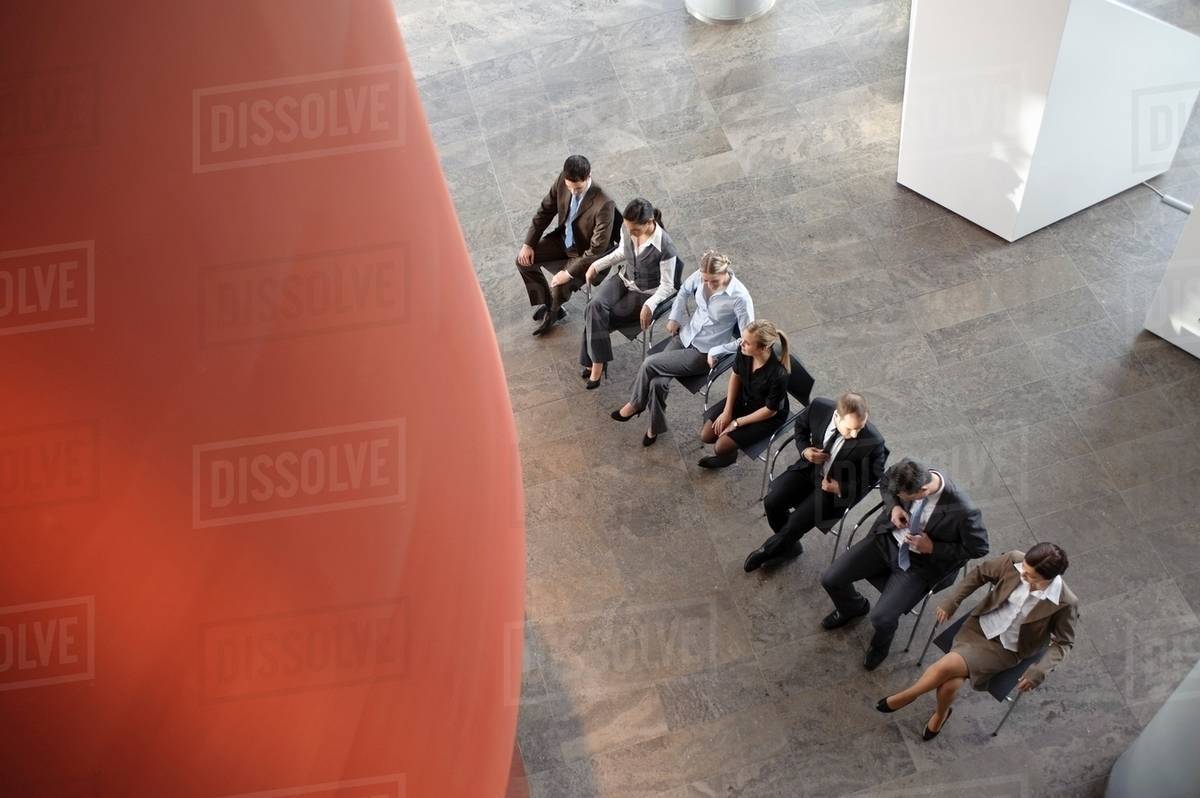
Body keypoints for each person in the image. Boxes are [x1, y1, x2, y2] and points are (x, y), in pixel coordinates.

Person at [876, 544, 1077, 741]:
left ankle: (909, 695)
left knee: (946, 666)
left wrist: (1040, 671)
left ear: (1049, 578)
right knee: (949, 685)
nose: (1022, 575)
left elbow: (1064, 642)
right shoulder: (1014, 560)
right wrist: (953, 600)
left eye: (1030, 576)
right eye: (1023, 568)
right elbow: (980, 573)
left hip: (1007, 649)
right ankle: (940, 714)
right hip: (979, 628)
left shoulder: (1065, 602)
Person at [819, 458, 990, 671]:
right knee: (830, 578)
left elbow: (979, 548)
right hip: (887, 540)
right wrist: (894, 508)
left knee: (882, 618)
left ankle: (881, 646)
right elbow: (886, 481)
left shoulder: (964, 511)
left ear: (923, 490)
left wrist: (933, 547)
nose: (901, 499)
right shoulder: (905, 470)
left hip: (920, 564)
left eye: (906, 498)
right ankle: (853, 607)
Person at [610, 250, 753, 448]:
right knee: (658, 383)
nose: (707, 284)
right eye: (705, 280)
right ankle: (654, 427)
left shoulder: (740, 298)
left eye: (713, 281)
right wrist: (675, 317)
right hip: (685, 336)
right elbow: (684, 290)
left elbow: (747, 340)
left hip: (704, 354)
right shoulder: (701, 276)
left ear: (724, 273)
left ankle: (635, 404)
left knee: (649, 363)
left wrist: (717, 351)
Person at [743, 392, 886, 571]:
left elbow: (872, 478)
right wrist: (805, 451)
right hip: (808, 468)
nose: (856, 433)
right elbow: (800, 427)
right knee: (771, 502)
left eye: (860, 427)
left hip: (831, 489)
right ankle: (789, 546)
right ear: (836, 416)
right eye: (850, 429)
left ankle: (767, 551)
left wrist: (840, 488)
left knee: (795, 524)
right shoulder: (819, 407)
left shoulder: (874, 442)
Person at [578, 198, 679, 389]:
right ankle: (598, 363)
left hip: (645, 292)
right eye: (628, 228)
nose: (630, 233)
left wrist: (650, 304)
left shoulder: (665, 246)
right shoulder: (628, 227)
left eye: (635, 230)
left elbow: (668, 286)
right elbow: (621, 253)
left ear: (649, 222)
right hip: (624, 279)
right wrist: (596, 265)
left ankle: (594, 363)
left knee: (597, 317)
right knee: (594, 307)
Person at [515, 154, 617, 336]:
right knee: (523, 261)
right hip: (563, 240)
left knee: (559, 286)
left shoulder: (604, 202)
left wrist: (568, 273)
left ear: (589, 176)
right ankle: (550, 304)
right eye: (570, 187)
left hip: (586, 255)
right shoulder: (563, 180)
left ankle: (553, 312)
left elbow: (596, 250)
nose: (573, 192)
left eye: (577, 188)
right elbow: (545, 211)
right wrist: (528, 243)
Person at [697, 321, 791, 469]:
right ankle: (730, 450)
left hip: (766, 415)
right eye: (742, 339)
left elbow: (770, 411)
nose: (741, 344)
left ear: (763, 348)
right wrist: (727, 412)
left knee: (721, 446)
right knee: (706, 435)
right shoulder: (744, 351)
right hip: (744, 399)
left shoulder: (779, 374)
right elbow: (736, 376)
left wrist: (736, 423)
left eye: (747, 343)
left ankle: (728, 458)